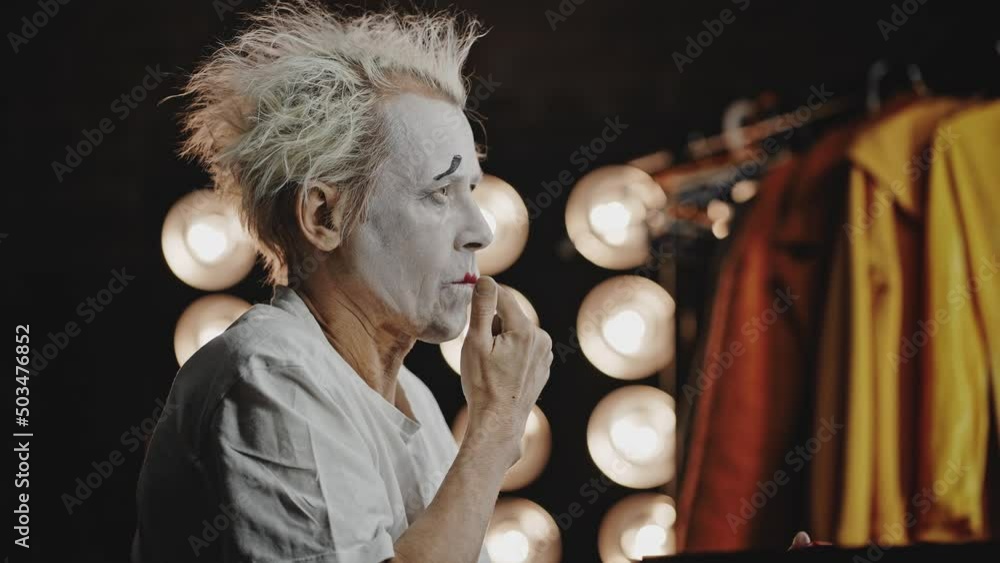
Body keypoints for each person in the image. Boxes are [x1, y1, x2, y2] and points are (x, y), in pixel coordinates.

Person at [131, 2, 551, 562]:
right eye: (438, 193)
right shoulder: (270, 373)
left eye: (472, 190)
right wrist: (495, 429)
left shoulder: (420, 402)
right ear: (323, 216)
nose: (480, 228)